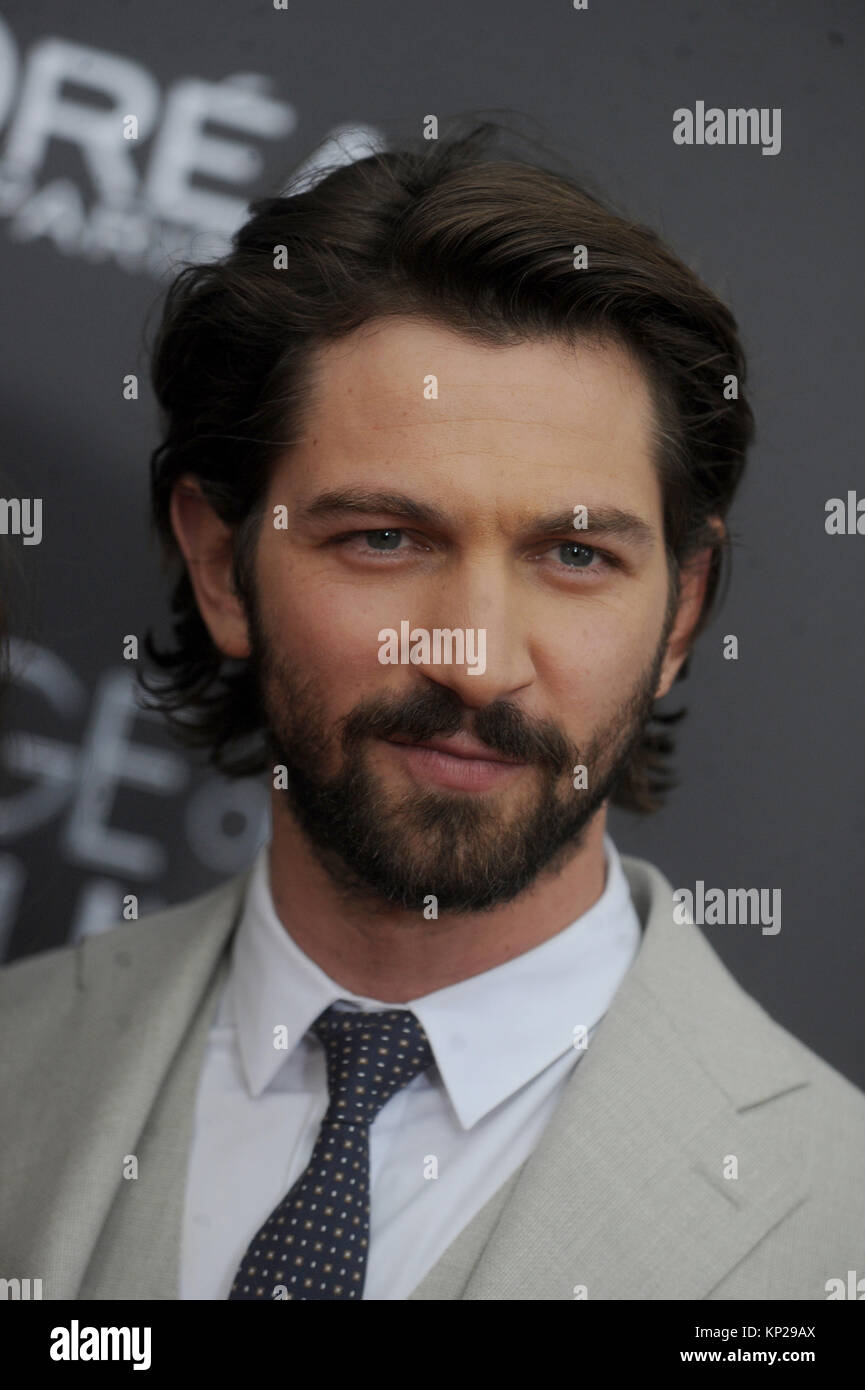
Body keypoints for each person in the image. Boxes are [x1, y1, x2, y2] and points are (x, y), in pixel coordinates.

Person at [2, 121, 863, 1302]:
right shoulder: (19, 1059)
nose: (473, 660)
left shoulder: (838, 1210)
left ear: (678, 615)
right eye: (386, 538)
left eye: (572, 553)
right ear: (220, 565)